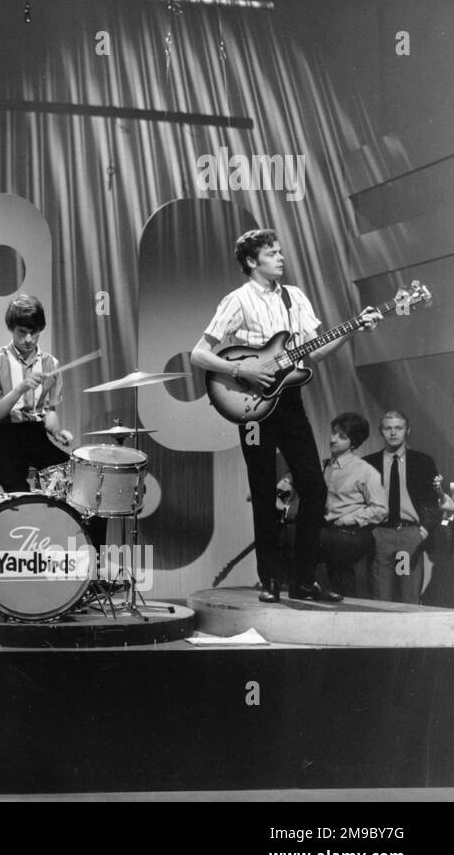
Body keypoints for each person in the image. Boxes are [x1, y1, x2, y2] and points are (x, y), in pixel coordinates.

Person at [190, 229, 380, 603]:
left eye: (280, 252)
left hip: (289, 401)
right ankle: (270, 581)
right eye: (272, 253)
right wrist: (240, 371)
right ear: (251, 262)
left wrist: (354, 327)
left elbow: (318, 353)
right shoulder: (238, 300)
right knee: (263, 491)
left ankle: (303, 580)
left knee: (314, 487)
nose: (281, 258)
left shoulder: (295, 298)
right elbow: (199, 354)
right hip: (252, 406)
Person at [0, 294, 106, 550]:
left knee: (90, 491)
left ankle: (93, 569)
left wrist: (58, 431)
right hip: (4, 437)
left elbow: (48, 412)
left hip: (36, 436)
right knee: (23, 502)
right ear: (12, 329)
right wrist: (19, 389)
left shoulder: (51, 364)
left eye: (34, 333)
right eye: (22, 332)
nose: (28, 339)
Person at [363, 410, 451, 604]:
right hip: (380, 535)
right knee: (381, 599)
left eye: (398, 428)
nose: (393, 433)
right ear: (381, 431)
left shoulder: (423, 461)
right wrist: (371, 531)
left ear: (407, 431)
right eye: (388, 428)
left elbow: (435, 499)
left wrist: (424, 531)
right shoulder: (368, 464)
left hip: (410, 534)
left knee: (408, 598)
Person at [317, 411, 387, 598]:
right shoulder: (325, 466)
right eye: (333, 433)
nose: (333, 439)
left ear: (353, 442)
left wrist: (348, 519)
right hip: (328, 532)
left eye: (342, 436)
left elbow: (380, 509)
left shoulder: (365, 471)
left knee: (343, 580)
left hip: (351, 534)